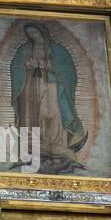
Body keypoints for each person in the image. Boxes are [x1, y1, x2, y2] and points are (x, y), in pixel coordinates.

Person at [10, 20, 87, 173]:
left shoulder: (58, 50)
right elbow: (16, 66)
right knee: (32, 117)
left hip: (52, 87)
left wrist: (50, 66)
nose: (33, 36)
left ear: (42, 32)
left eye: (35, 32)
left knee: (54, 115)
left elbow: (68, 71)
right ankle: (32, 149)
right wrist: (26, 65)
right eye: (30, 34)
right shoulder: (24, 49)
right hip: (30, 87)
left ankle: (57, 148)